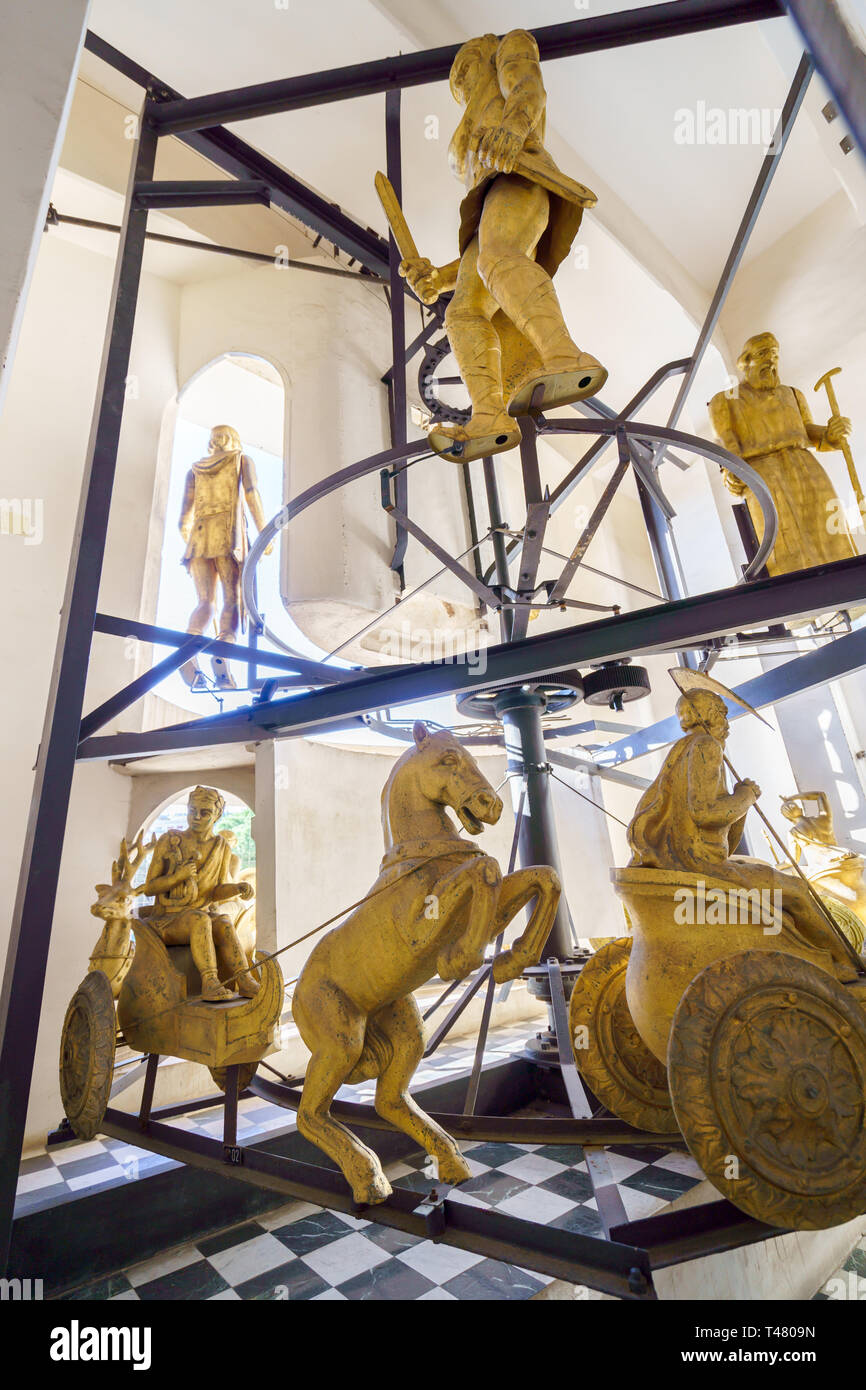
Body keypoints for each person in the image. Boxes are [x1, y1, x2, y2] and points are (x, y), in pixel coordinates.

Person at [399, 29, 605, 462]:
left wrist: (513, 126)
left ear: (482, 56)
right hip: (488, 201)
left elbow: (529, 85)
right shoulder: (472, 114)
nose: (462, 83)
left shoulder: (508, 46)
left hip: (519, 178)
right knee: (462, 310)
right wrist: (438, 278)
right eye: (458, 81)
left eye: (466, 68)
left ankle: (564, 355)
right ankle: (489, 414)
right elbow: (485, 248)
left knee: (499, 259)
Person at [628, 689, 853, 973]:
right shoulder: (706, 746)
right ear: (707, 715)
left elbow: (717, 833)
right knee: (796, 890)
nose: (728, 722)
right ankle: (842, 964)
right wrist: (746, 797)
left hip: (691, 862)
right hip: (699, 867)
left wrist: (738, 798)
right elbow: (705, 813)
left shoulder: (682, 750)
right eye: (722, 713)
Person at [708, 333, 857, 575]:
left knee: (828, 529)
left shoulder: (793, 394)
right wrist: (733, 471)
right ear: (745, 362)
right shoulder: (725, 401)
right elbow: (726, 442)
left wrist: (831, 433)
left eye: (775, 355)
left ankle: (847, 582)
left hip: (805, 465)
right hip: (762, 473)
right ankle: (800, 597)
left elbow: (808, 432)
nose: (771, 361)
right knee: (784, 537)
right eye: (762, 355)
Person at [140, 786, 258, 1002]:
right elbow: (149, 887)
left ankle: (245, 979)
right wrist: (178, 876)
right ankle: (210, 982)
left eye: (204, 812)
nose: (196, 817)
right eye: (192, 810)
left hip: (197, 916)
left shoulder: (221, 846)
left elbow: (215, 891)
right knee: (200, 919)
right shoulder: (170, 840)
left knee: (223, 922)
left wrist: (237, 888)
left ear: (217, 815)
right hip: (168, 919)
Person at [178, 424, 271, 690]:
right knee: (232, 600)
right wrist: (265, 535)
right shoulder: (241, 460)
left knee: (204, 601)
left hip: (198, 538)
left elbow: (182, 521)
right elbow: (252, 495)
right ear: (234, 440)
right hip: (229, 537)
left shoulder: (194, 470)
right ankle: (221, 652)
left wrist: (195, 543)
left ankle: (187, 654)